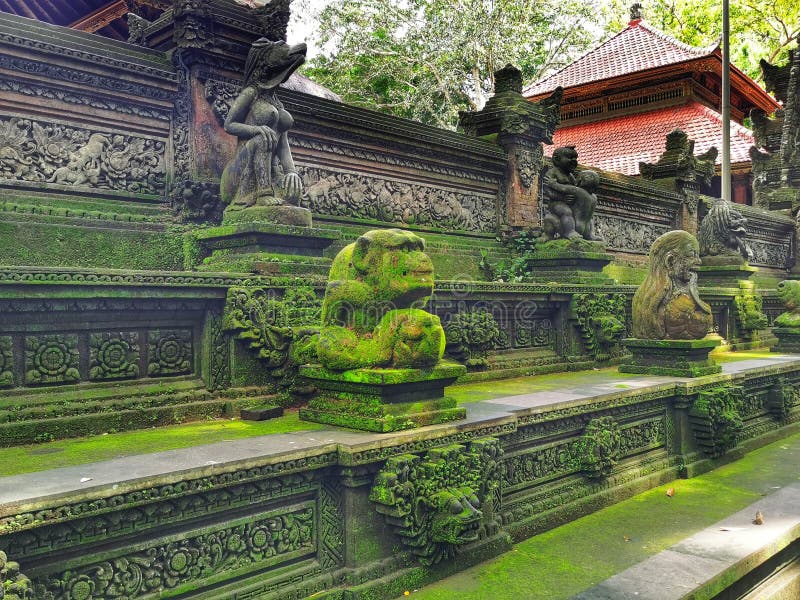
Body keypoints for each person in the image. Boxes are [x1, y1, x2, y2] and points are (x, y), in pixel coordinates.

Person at [220, 38, 307, 210]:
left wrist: (291, 172)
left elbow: (283, 144)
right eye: (281, 47)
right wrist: (256, 129)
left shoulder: (277, 102)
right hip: (241, 170)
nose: (288, 49)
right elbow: (229, 125)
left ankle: (270, 190)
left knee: (293, 197)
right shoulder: (251, 93)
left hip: (271, 170)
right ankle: (263, 194)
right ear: (265, 61)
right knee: (263, 137)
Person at [541, 146, 601, 241]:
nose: (574, 161)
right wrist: (561, 198)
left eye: (575, 158)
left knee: (586, 215)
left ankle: (588, 233)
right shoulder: (552, 173)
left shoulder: (570, 176)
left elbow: (575, 187)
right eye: (570, 157)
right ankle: (569, 231)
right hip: (557, 203)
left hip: (570, 203)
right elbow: (547, 190)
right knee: (566, 212)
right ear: (557, 159)